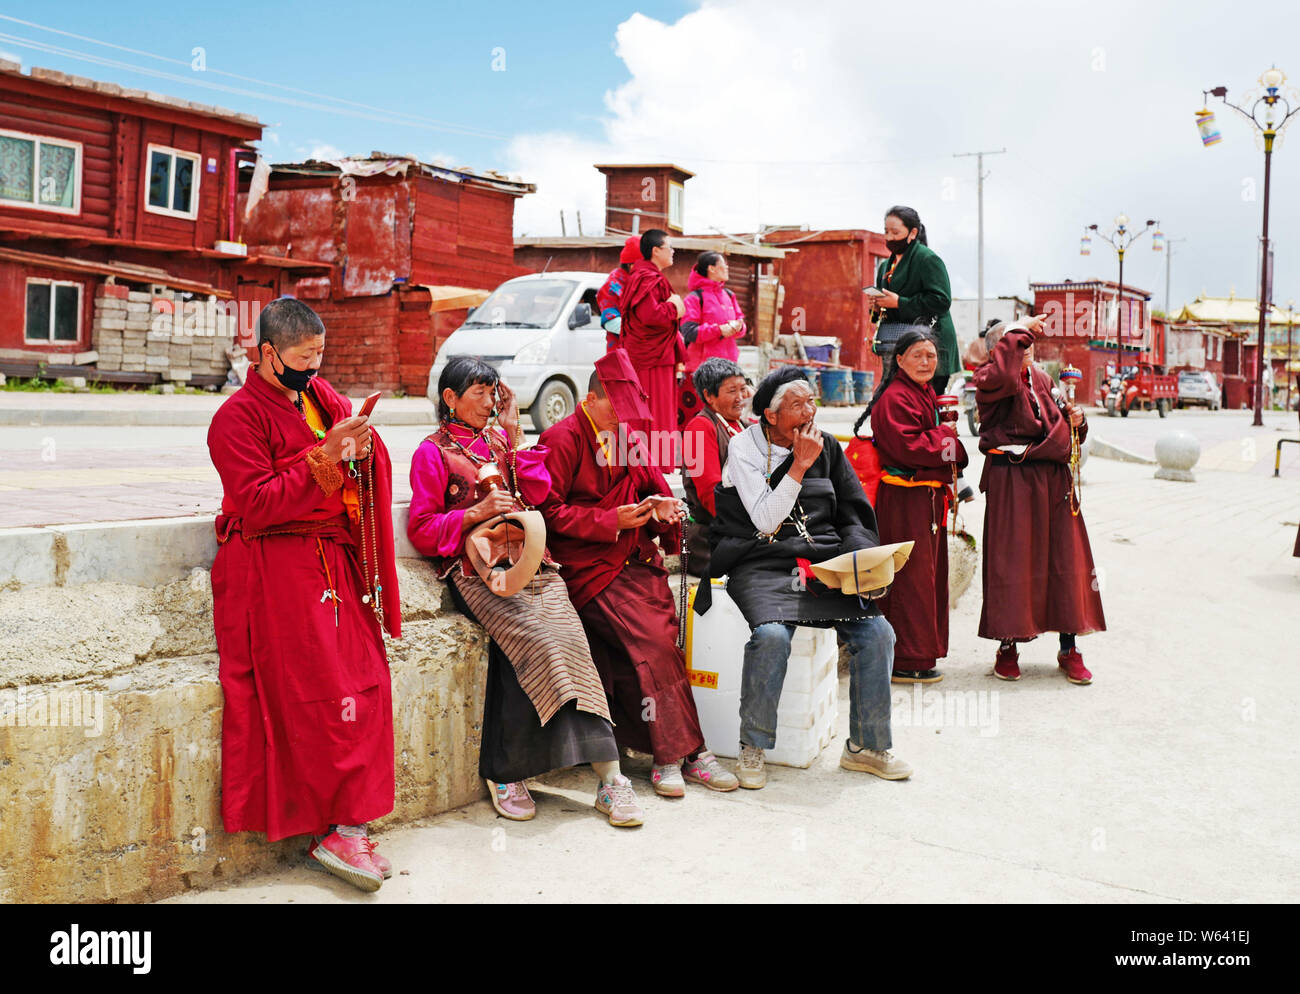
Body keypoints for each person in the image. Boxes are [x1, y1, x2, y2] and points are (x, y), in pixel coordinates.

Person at [207, 297, 400, 893]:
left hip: (332, 564)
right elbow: (258, 503)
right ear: (268, 354)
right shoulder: (235, 419)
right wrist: (327, 454)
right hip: (276, 567)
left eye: (320, 355)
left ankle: (350, 823)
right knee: (319, 690)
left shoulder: (323, 399)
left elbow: (358, 464)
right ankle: (332, 828)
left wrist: (360, 448)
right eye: (302, 357)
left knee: (367, 681)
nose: (313, 368)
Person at [407, 357, 644, 827]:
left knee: (572, 640)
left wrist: (516, 440)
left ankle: (611, 778)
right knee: (537, 641)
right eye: (478, 392)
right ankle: (508, 773)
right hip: (480, 574)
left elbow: (538, 491)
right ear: (450, 398)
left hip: (531, 561)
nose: (490, 401)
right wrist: (473, 515)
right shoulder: (431, 452)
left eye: (493, 392)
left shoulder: (499, 441)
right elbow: (421, 528)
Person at [538, 350, 739, 797]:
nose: (622, 419)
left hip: (634, 560)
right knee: (653, 645)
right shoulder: (562, 439)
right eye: (615, 408)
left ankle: (666, 749)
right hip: (589, 568)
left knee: (653, 649)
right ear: (590, 400)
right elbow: (547, 513)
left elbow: (653, 490)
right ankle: (680, 755)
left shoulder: (621, 435)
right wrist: (611, 522)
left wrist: (659, 511)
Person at [700, 366, 912, 789]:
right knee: (773, 636)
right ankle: (752, 747)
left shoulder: (828, 447)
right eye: (797, 405)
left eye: (811, 402)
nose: (809, 412)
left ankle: (865, 748)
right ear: (771, 416)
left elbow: (852, 512)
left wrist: (856, 561)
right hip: (760, 562)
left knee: (877, 633)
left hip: (820, 564)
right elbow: (764, 520)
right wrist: (799, 467)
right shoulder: (744, 449)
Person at [974, 317, 1106, 684]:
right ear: (997, 352)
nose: (1025, 345)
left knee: (1065, 560)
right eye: (1016, 341)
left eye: (1027, 340)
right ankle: (1007, 645)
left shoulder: (1044, 380)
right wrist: (1019, 329)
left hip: (1052, 477)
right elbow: (1004, 377)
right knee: (1011, 561)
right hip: (1013, 477)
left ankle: (1069, 646)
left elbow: (1061, 423)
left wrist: (1075, 422)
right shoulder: (990, 379)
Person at [858, 330, 969, 684]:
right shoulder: (894, 397)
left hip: (925, 498)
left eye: (931, 356)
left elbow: (935, 445)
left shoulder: (925, 393)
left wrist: (942, 442)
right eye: (918, 355)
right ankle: (904, 657)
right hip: (904, 500)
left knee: (927, 576)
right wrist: (947, 439)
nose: (925, 362)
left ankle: (921, 652)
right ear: (900, 359)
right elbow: (909, 448)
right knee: (909, 579)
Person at [870, 206, 960, 392]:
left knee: (926, 400)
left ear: (912, 233)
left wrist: (899, 302)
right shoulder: (886, 266)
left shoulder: (927, 259)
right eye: (886, 231)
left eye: (895, 232)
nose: (889, 238)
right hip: (896, 343)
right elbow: (885, 308)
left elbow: (941, 300)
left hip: (930, 341)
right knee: (894, 396)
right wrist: (878, 307)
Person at [619, 228, 686, 469]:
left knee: (659, 409)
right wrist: (674, 308)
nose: (673, 252)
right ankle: (650, 463)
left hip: (658, 353)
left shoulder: (648, 276)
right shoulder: (646, 277)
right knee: (652, 409)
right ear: (656, 251)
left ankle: (656, 461)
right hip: (650, 356)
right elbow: (651, 316)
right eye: (670, 247)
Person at [682, 356, 750, 578]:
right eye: (732, 391)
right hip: (713, 538)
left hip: (745, 529)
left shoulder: (743, 426)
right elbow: (711, 496)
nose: (741, 397)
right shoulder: (699, 429)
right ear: (709, 396)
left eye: (743, 389)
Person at [679, 252, 746, 429]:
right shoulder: (694, 298)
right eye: (723, 265)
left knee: (726, 420)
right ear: (712, 269)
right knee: (699, 421)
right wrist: (719, 330)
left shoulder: (729, 295)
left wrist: (738, 326)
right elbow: (689, 331)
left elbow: (741, 323)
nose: (727, 269)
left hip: (728, 368)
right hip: (701, 371)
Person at [596, 236, 642, 352]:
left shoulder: (644, 284)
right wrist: (646, 332)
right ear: (631, 265)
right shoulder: (612, 286)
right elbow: (611, 322)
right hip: (623, 355)